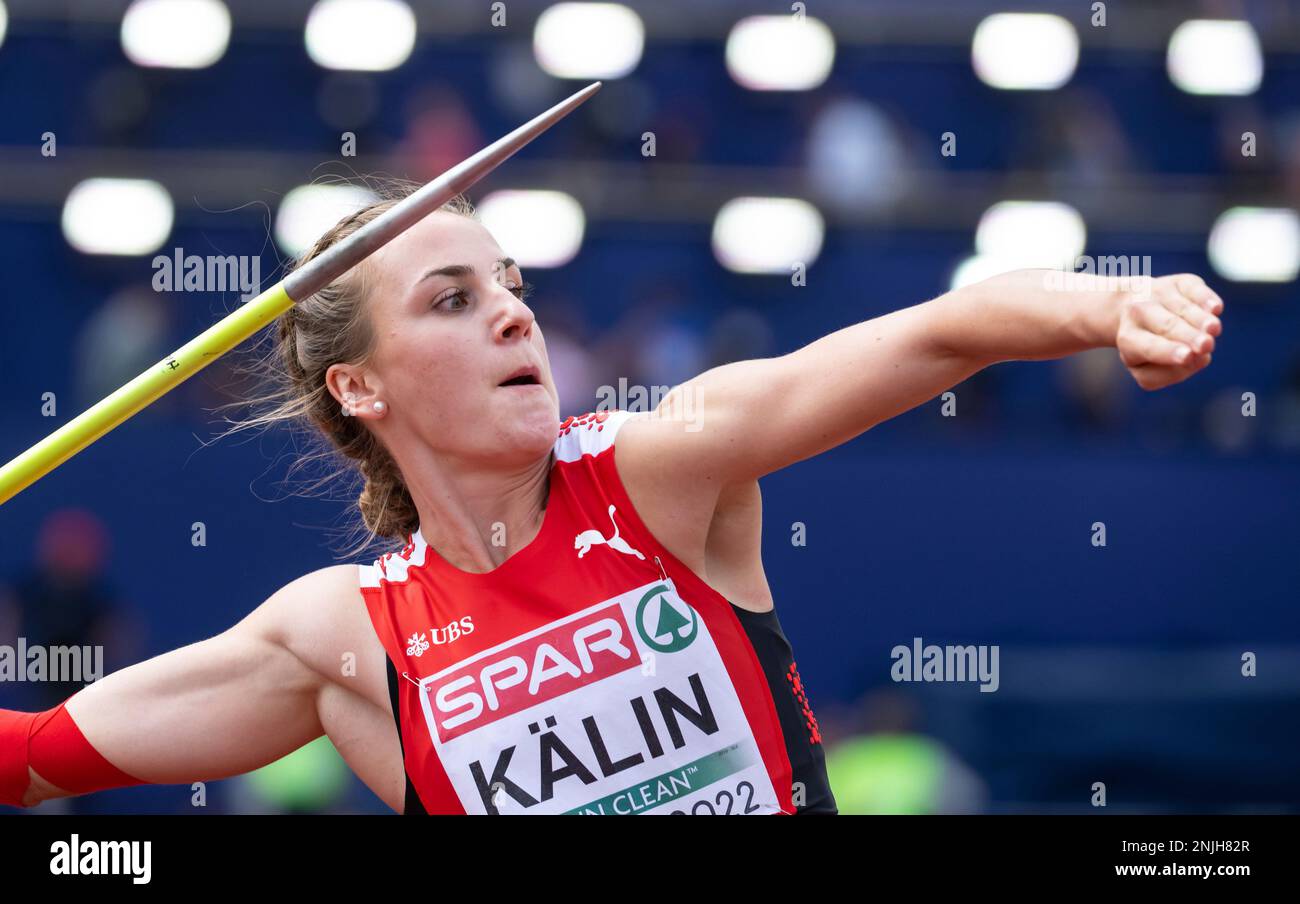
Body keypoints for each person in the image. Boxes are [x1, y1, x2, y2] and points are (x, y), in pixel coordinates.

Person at [0, 188, 1223, 815]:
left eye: (510, 284)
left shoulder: (660, 468)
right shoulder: (341, 638)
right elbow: (36, 761)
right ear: (357, 383)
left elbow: (943, 328)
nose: (515, 311)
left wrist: (1110, 308)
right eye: (449, 299)